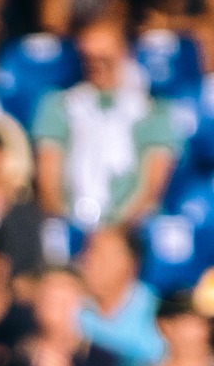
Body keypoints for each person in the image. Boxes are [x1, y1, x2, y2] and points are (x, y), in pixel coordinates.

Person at [33, 15, 180, 236]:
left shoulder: (154, 112)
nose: (97, 66)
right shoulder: (57, 105)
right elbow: (48, 179)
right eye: (89, 59)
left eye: (105, 59)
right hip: (72, 225)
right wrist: (73, 227)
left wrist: (113, 233)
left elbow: (151, 188)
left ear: (124, 53)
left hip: (127, 232)